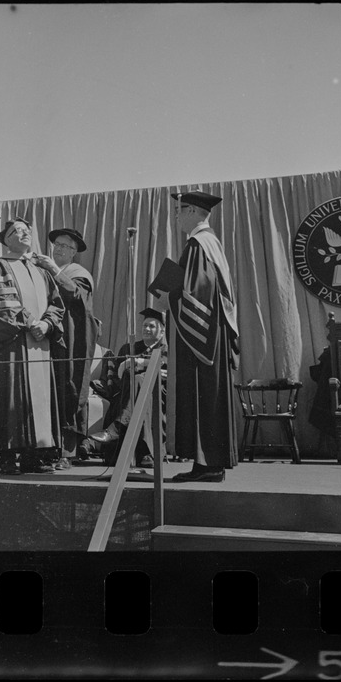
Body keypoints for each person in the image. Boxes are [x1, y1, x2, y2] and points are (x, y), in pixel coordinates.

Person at [158, 191, 239, 483]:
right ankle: (207, 464)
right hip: (213, 334)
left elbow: (197, 293)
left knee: (203, 395)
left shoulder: (197, 245)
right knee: (208, 396)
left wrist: (169, 297)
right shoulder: (211, 243)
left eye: (180, 211)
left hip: (203, 339)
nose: (177, 216)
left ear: (193, 210)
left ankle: (208, 464)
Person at [0, 217, 66, 474]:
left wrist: (48, 325)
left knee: (39, 399)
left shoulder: (41, 270)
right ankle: (7, 457)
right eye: (17, 231)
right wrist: (31, 323)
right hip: (13, 344)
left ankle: (33, 456)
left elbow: (56, 304)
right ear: (6, 240)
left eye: (27, 230)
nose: (24, 234)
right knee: (12, 401)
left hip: (40, 344)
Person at [33, 227, 99, 470]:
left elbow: (75, 295)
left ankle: (68, 452)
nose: (59, 249)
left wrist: (53, 269)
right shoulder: (42, 270)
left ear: (74, 252)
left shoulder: (79, 273)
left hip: (73, 339)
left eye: (65, 246)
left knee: (69, 390)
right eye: (57, 244)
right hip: (48, 335)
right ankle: (47, 447)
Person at [83, 307, 168, 468]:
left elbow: (168, 375)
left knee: (139, 381)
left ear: (162, 332)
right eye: (145, 326)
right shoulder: (129, 348)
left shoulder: (165, 350)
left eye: (152, 326)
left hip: (157, 396)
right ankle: (143, 454)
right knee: (133, 382)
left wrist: (140, 367)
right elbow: (117, 376)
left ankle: (115, 430)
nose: (147, 329)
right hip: (126, 394)